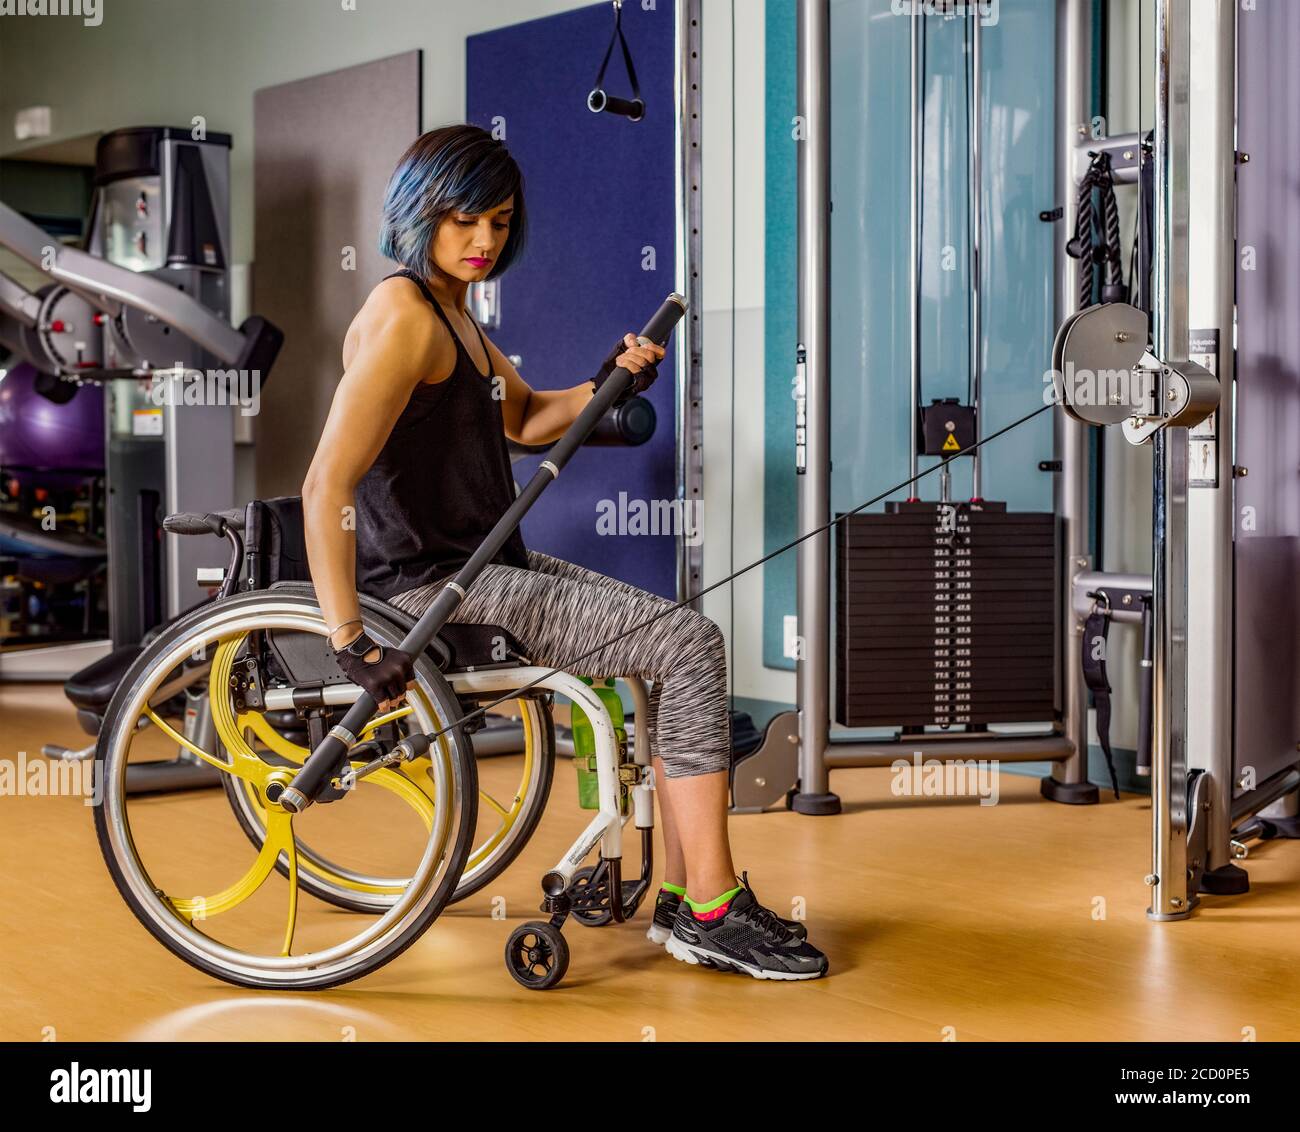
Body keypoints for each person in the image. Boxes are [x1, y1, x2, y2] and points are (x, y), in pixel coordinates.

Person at [301, 123, 827, 981]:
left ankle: (698, 897)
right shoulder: (403, 317)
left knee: (678, 643)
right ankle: (711, 907)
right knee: (690, 647)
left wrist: (612, 377)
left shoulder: (452, 319)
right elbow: (324, 485)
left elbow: (528, 419)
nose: (485, 241)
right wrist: (351, 640)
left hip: (491, 565)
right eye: (465, 219)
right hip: (442, 588)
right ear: (418, 213)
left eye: (501, 223)